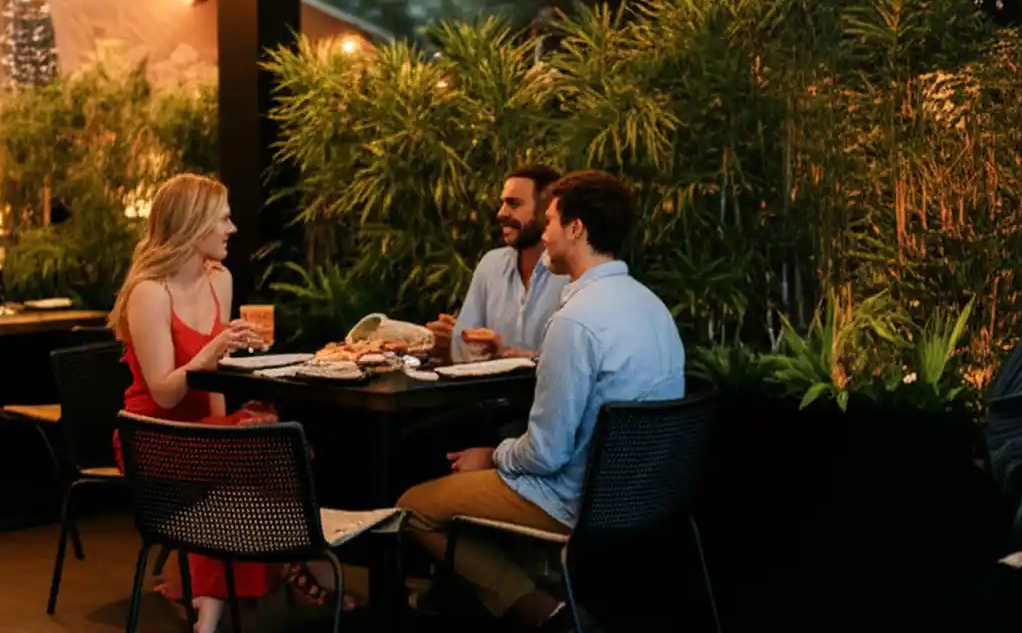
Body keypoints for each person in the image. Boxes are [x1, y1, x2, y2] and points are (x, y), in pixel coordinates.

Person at [398, 170, 686, 631]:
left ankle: (547, 614)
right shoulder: (652, 307)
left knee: (414, 505)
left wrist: (491, 456)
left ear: (576, 229)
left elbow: (546, 454)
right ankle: (543, 593)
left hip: (576, 500)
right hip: (645, 496)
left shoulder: (575, 322)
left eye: (551, 221)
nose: (545, 234)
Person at [107, 173, 346, 632]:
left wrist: (229, 425)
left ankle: (212, 609)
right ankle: (294, 563)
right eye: (224, 218)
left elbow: (214, 388)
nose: (232, 229)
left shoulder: (221, 281)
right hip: (153, 436)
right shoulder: (149, 293)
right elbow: (164, 392)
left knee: (272, 435)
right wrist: (213, 352)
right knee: (263, 450)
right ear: (194, 226)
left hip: (202, 431)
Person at [427, 164, 568, 363]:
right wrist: (448, 343)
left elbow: (574, 362)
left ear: (547, 207)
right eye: (502, 203)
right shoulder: (490, 265)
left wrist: (507, 354)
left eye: (514, 204)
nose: (501, 213)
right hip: (489, 393)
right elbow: (464, 350)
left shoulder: (570, 271)